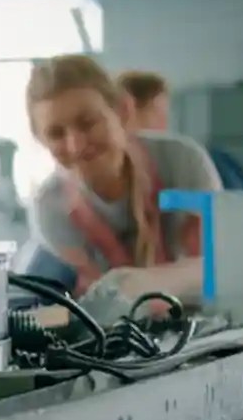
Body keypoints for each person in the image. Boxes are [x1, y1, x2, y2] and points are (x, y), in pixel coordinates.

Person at [26, 55, 222, 301]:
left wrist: (150, 283)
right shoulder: (51, 207)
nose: (75, 145)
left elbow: (217, 267)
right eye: (56, 134)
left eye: (88, 123)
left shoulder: (183, 161)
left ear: (123, 111)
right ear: (40, 140)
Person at [117, 69, 243, 191]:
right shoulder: (116, 161)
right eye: (158, 113)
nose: (164, 122)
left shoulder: (192, 158)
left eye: (165, 114)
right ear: (129, 109)